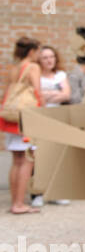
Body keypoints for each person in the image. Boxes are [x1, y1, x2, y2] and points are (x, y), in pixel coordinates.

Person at [2, 37, 42, 214]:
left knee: (16, 161)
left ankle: (14, 202)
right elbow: (38, 92)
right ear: (32, 51)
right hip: (26, 118)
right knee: (27, 160)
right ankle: (19, 204)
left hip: (11, 117)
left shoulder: (14, 68)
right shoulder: (33, 67)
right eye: (39, 51)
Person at [33, 46, 72, 205]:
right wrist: (55, 95)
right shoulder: (36, 76)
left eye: (51, 57)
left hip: (56, 118)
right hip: (40, 117)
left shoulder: (60, 75)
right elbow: (36, 96)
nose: (49, 60)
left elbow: (66, 95)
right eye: (45, 57)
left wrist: (46, 95)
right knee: (38, 156)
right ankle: (37, 193)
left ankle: (55, 192)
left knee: (55, 154)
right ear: (39, 60)